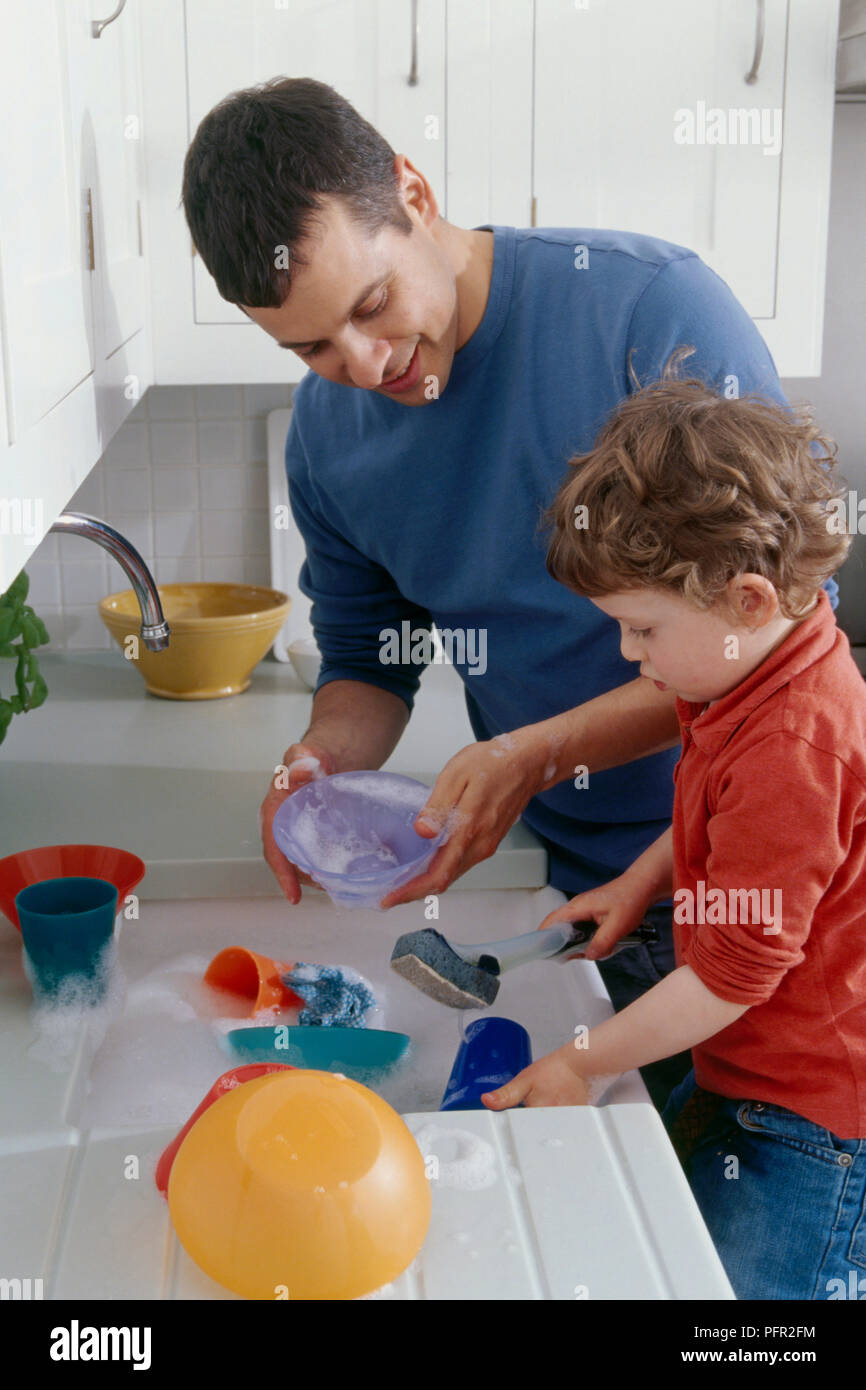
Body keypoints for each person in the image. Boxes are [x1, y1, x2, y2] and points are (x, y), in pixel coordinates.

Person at [181, 76, 838, 1110]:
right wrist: (313, 765)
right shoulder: (326, 437)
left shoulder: (649, 311)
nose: (362, 363)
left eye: (369, 305)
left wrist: (534, 751)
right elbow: (367, 661)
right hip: (586, 891)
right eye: (308, 346)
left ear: (413, 193)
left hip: (779, 894)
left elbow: (779, 637)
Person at [481, 368, 866, 1300]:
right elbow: (720, 828)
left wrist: (580, 1060)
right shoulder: (744, 676)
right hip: (739, 1067)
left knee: (744, 1318)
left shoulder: (794, 739)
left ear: (746, 601)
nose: (628, 654)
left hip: (809, 1124)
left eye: (643, 628)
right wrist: (644, 880)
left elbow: (734, 975)